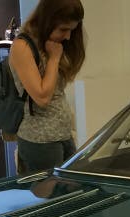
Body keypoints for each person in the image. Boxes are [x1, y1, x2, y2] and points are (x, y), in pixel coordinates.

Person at [8, 0, 85, 175]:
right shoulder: (23, 46)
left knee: (68, 194)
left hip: (62, 135)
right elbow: (42, 97)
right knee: (48, 196)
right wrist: (54, 58)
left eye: (71, 30)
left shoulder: (50, 45)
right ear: (47, 21)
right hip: (40, 140)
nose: (68, 36)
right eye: (63, 29)